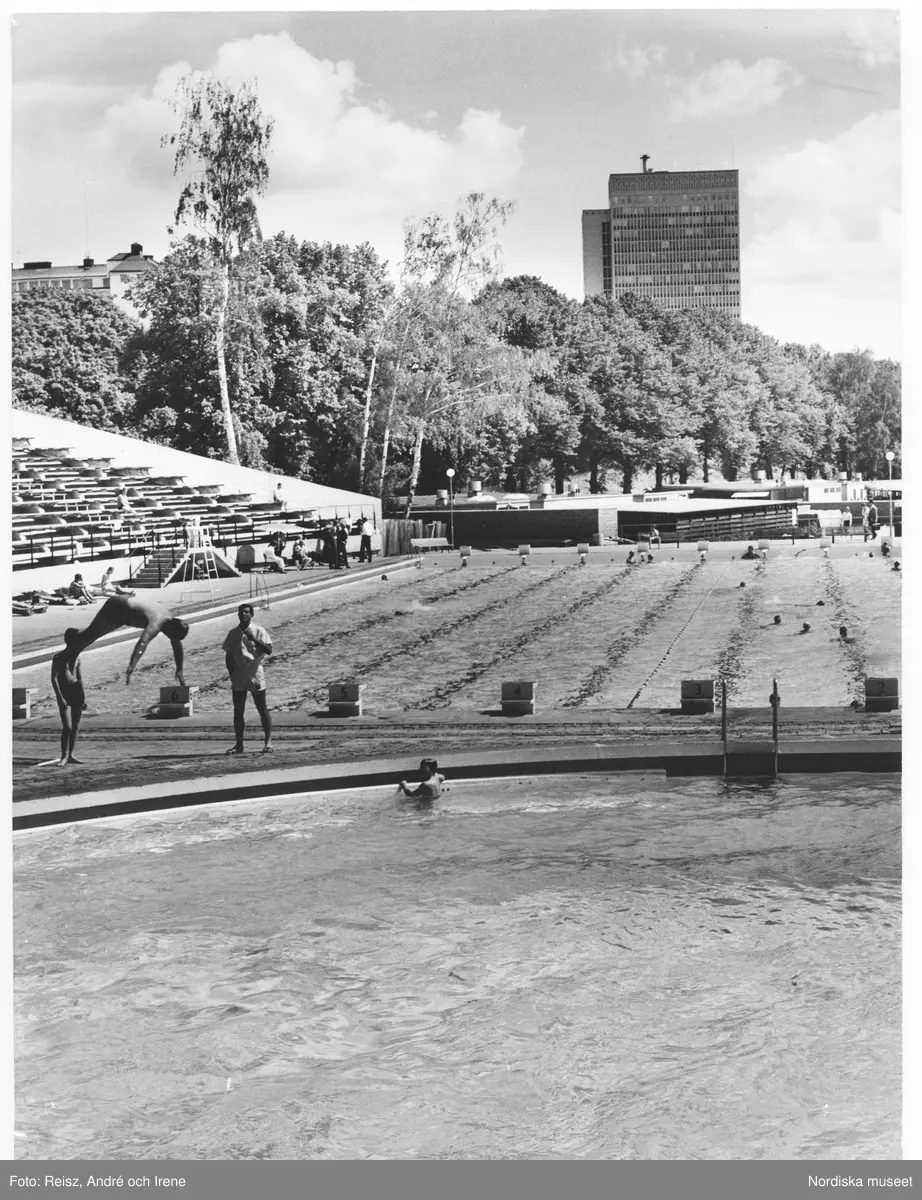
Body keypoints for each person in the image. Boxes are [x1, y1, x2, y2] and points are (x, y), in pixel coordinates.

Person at [71, 594, 190, 686]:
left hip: (126, 602)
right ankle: (69, 655)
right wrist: (131, 666)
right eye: (172, 636)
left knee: (89, 636)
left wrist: (179, 670)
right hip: (118, 607)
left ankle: (72, 654)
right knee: (89, 636)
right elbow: (142, 643)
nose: (171, 639)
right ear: (170, 628)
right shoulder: (157, 622)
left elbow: (177, 645)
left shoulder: (170, 620)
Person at [222, 603, 274, 754]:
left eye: (246, 612)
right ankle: (239, 744)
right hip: (239, 675)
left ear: (251, 615)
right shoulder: (233, 633)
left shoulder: (259, 630)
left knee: (262, 708)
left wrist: (253, 639)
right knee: (238, 711)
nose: (243, 614)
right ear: (238, 615)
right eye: (241, 612)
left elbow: (269, 650)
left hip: (255, 672)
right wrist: (232, 673)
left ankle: (268, 741)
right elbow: (228, 656)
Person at [50, 628, 87, 766]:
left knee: (76, 726)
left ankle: (71, 754)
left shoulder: (77, 657)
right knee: (67, 726)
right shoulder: (59, 657)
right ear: (66, 640)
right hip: (64, 690)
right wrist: (60, 698)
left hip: (76, 690)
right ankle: (64, 756)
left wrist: (84, 697)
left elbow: (80, 677)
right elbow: (54, 679)